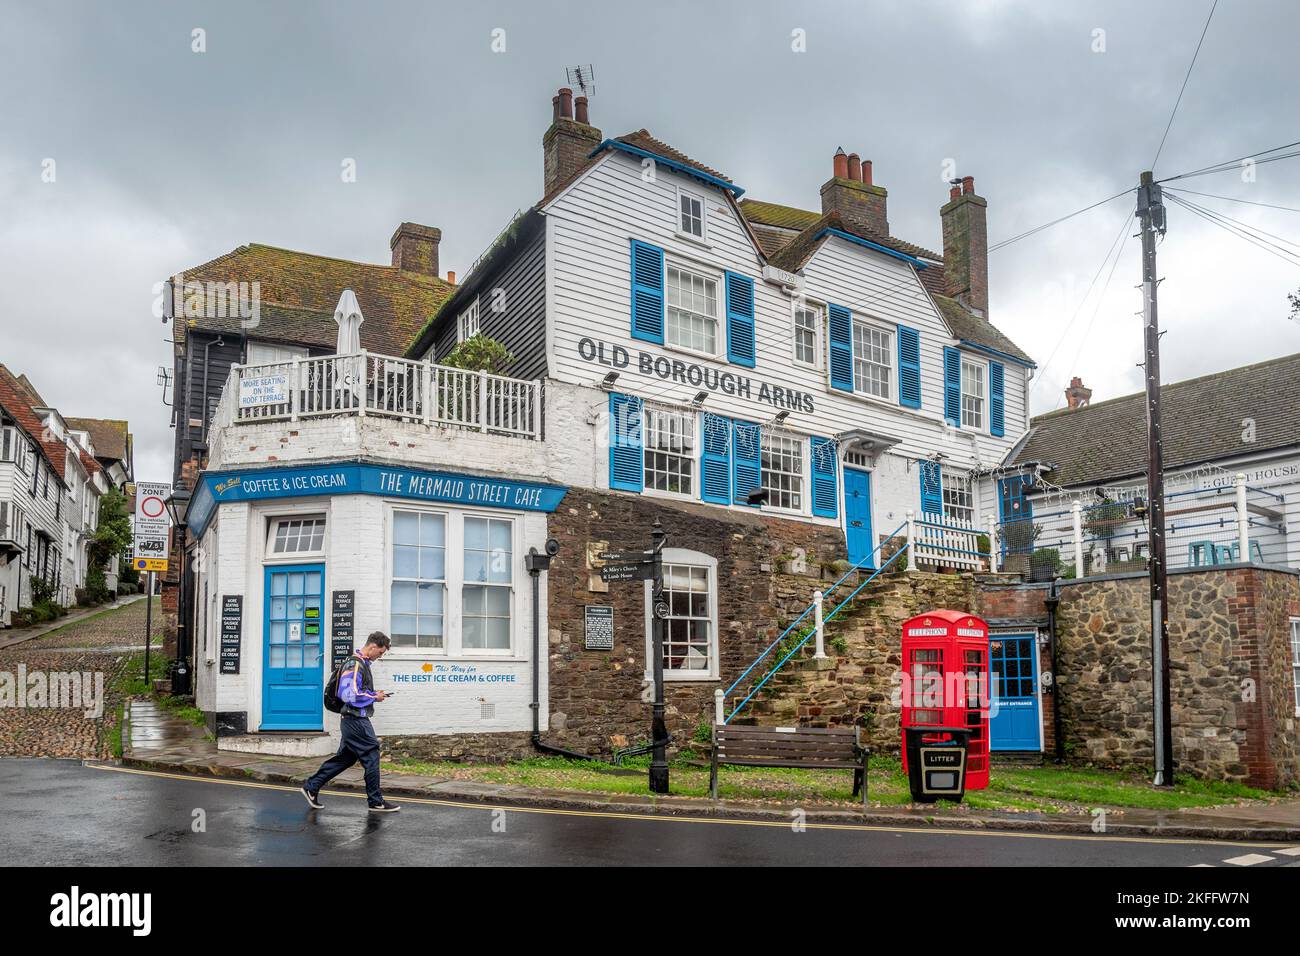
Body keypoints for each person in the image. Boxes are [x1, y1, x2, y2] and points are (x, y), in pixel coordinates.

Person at [302, 631, 400, 813]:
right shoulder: (355, 664)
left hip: (351, 720)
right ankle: (375, 801)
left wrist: (373, 695)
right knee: (371, 754)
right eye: (381, 653)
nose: (380, 657)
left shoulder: (360, 664)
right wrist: (374, 696)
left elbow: (354, 690)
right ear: (372, 647)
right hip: (356, 719)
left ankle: (312, 786)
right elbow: (349, 695)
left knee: (345, 758)